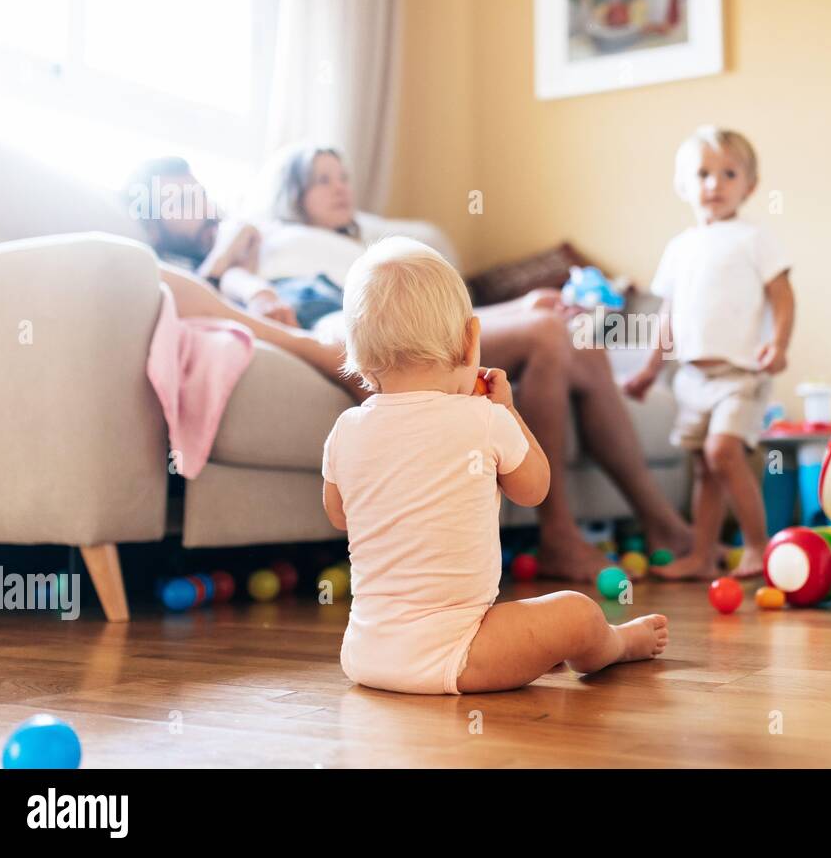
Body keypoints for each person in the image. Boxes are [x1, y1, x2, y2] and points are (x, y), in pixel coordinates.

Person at [220, 143, 694, 580]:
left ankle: (660, 522)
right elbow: (220, 274)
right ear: (292, 192)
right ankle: (561, 537)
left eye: (342, 176)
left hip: (414, 317)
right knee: (549, 332)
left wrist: (527, 302)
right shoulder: (266, 235)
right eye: (323, 179)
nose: (340, 186)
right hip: (355, 327)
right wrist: (255, 286)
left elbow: (428, 310)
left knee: (558, 319)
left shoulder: (360, 240)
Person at [321, 237, 668, 694]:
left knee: (523, 623)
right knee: (577, 612)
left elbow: (339, 515)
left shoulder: (346, 429)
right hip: (456, 655)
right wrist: (508, 412)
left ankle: (525, 652)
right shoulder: (484, 417)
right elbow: (535, 489)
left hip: (364, 654)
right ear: (471, 342)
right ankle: (614, 645)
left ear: (359, 358)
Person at [623, 127, 795, 579]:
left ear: (750, 186)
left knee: (723, 453)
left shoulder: (753, 237)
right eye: (702, 174)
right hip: (692, 379)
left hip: (739, 375)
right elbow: (668, 316)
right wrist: (648, 370)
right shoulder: (680, 247)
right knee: (703, 467)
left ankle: (758, 546)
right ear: (683, 185)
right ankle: (702, 555)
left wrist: (778, 343)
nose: (714, 184)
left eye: (728, 173)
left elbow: (782, 295)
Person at [122, 157, 360, 398]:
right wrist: (221, 258)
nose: (205, 210)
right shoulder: (166, 267)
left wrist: (251, 279)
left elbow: (237, 277)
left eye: (201, 196)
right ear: (152, 227)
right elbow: (200, 297)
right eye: (183, 203)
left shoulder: (238, 236)